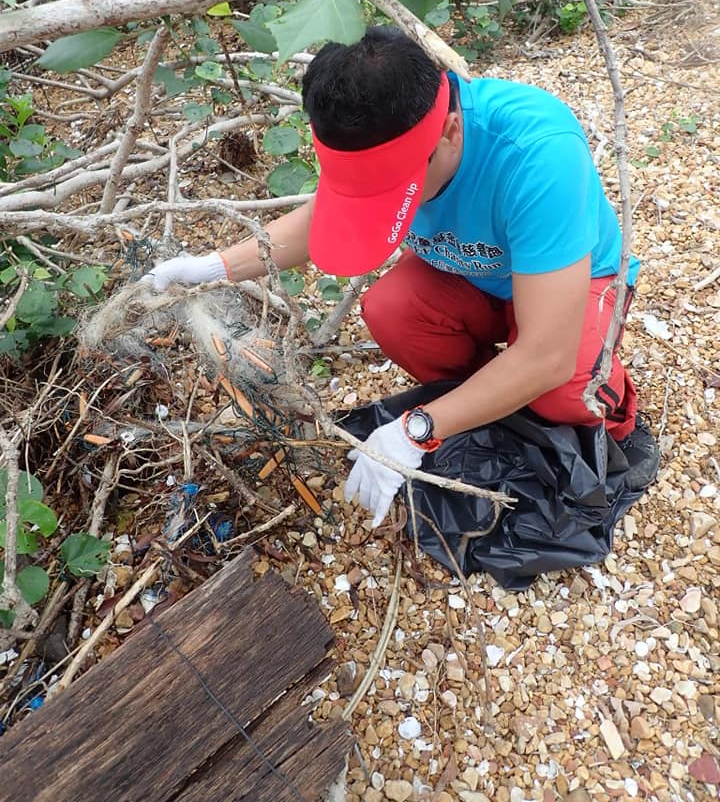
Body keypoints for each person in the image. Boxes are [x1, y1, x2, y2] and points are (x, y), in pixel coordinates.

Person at [145, 26, 639, 528]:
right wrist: (211, 268)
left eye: (393, 190)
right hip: (475, 277)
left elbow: (547, 355)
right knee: (391, 309)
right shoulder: (372, 127)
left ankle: (614, 419)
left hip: (577, 283)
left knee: (563, 386)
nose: (378, 205)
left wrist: (418, 429)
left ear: (449, 133)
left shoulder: (536, 150)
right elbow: (320, 222)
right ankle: (487, 399)